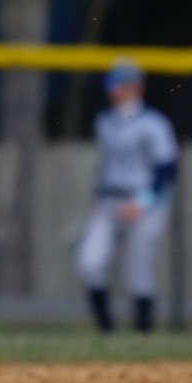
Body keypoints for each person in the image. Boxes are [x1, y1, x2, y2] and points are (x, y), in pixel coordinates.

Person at [76, 58, 179, 334]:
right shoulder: (105, 122)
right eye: (112, 84)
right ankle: (107, 330)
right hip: (110, 199)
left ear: (136, 87)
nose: (115, 90)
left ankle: (143, 333)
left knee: (137, 272)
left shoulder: (154, 124)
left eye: (120, 84)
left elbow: (167, 169)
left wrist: (142, 202)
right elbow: (105, 165)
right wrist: (97, 196)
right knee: (89, 262)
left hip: (144, 201)